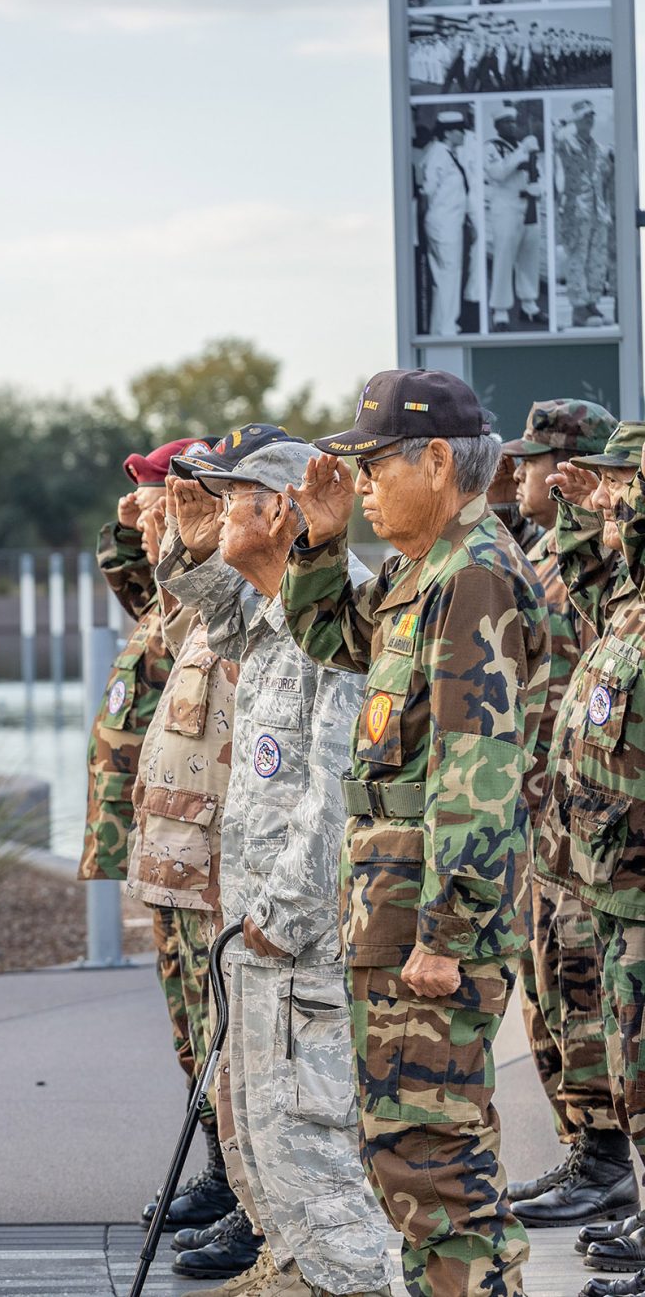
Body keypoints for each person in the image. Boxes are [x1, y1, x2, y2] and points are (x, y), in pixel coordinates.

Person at [285, 369, 548, 1297]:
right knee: (407, 1161)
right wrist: (321, 539)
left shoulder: (474, 575)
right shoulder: (420, 569)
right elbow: (334, 638)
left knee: (437, 1171)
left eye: (371, 465)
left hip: (432, 928)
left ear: (436, 461)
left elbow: (478, 777)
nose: (358, 482)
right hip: (395, 917)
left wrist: (445, 934)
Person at [174, 435, 400, 1297]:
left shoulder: (334, 621)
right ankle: (294, 1266)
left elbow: (340, 785)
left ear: (278, 511)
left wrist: (282, 915)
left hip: (297, 934)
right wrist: (194, 540)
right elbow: (218, 612)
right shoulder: (279, 614)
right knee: (262, 1132)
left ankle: (344, 1280)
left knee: (312, 1135)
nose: (221, 511)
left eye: (234, 499)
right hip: (264, 933)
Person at [496, 401, 633, 1231]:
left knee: (586, 991)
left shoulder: (598, 560)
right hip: (549, 816)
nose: (518, 472)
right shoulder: (536, 550)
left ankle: (609, 1160)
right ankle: (585, 1147)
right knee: (548, 989)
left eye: (535, 459)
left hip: (591, 819)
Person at [87, 438, 227, 1231]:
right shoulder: (167, 603)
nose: (143, 518)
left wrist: (169, 521)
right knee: (189, 1022)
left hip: (198, 846)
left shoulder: (207, 599)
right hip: (168, 842)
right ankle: (217, 1167)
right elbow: (138, 580)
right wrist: (131, 525)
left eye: (156, 500)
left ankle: (227, 1176)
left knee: (210, 1020)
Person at [130, 441, 255, 1283]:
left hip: (224, 864)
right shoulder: (204, 606)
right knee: (204, 1039)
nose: (159, 515)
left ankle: (252, 1202)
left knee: (236, 1043)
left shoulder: (257, 604)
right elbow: (159, 610)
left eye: (196, 501)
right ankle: (230, 1183)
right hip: (181, 861)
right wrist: (170, 532)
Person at [539, 424, 645, 1294]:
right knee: (626, 1061)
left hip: (638, 881)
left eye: (627, 483)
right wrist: (587, 512)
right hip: (609, 876)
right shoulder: (630, 600)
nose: (612, 498)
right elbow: (593, 574)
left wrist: (612, 507)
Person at [556, 99, 614, 329]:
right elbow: (552, 137)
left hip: (598, 211)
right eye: (584, 116)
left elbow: (607, 178)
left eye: (591, 116)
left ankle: (591, 303)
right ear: (576, 119)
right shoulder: (566, 144)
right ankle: (578, 308)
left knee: (597, 259)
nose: (589, 120)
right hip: (576, 211)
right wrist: (567, 121)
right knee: (577, 258)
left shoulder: (599, 149)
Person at [484, 107, 543, 332]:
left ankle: (529, 305)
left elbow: (537, 172)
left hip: (528, 206)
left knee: (530, 256)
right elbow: (498, 173)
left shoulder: (523, 147)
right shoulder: (492, 147)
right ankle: (500, 310)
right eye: (506, 122)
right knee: (504, 257)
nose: (512, 126)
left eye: (513, 122)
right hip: (505, 207)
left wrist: (539, 188)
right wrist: (521, 153)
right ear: (498, 125)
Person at [420, 111, 474, 338]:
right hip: (443, 223)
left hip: (447, 221)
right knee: (448, 275)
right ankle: (447, 328)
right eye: (460, 130)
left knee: (445, 277)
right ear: (449, 132)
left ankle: (441, 326)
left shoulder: (445, 154)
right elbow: (428, 190)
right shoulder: (438, 155)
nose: (463, 134)